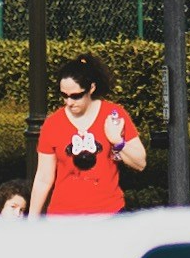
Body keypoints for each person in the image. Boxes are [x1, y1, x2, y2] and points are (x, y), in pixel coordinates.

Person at [28, 60, 147, 216]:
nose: (69, 102)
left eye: (76, 96)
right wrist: (31, 221)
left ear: (91, 88)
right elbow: (43, 177)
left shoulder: (113, 115)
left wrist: (117, 141)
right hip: (63, 217)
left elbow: (140, 163)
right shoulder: (53, 124)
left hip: (108, 214)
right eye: (64, 96)